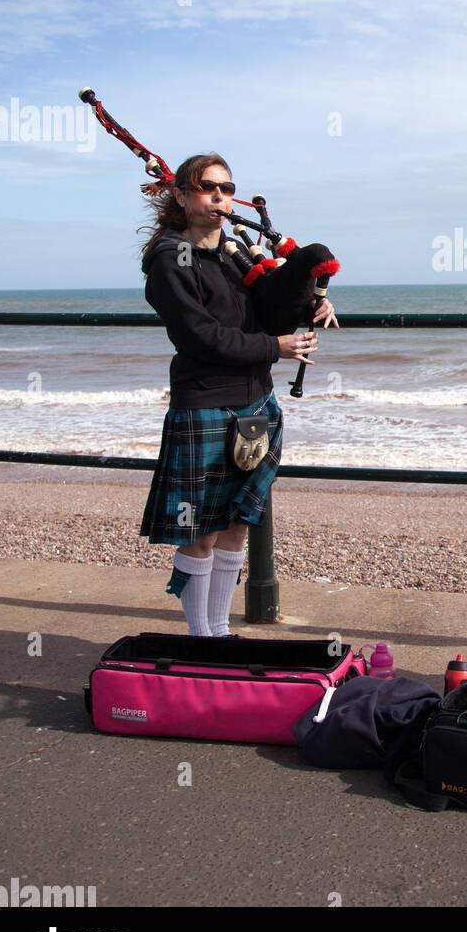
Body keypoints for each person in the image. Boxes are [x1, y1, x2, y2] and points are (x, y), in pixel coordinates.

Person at [139, 155, 336, 636]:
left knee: (236, 525)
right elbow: (199, 336)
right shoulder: (170, 258)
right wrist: (277, 347)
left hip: (255, 403)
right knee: (201, 532)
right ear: (181, 195)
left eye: (226, 188)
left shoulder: (233, 253)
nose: (219, 197)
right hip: (205, 402)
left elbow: (267, 306)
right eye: (207, 187)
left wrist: (311, 297)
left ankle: (220, 634)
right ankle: (198, 638)